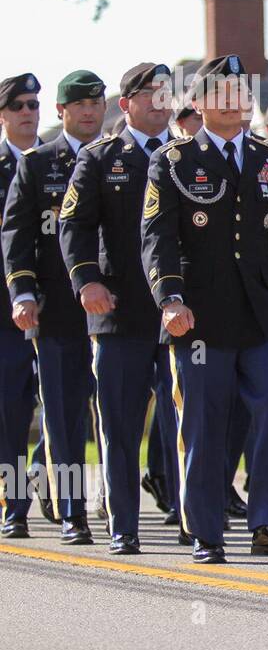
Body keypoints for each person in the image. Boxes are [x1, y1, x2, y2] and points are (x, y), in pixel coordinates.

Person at [141, 53, 268, 564]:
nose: (237, 100)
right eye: (223, 92)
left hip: (263, 315)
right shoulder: (173, 161)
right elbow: (157, 239)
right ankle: (206, 531)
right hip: (200, 315)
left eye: (242, 91)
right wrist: (170, 299)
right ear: (198, 102)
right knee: (203, 422)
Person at [59, 62, 180, 553]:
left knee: (185, 423)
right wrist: (86, 281)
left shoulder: (188, 155)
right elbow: (75, 226)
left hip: (179, 312)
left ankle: (193, 521)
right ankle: (124, 525)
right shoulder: (100, 157)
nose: (159, 101)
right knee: (119, 421)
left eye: (165, 93)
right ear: (125, 105)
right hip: (120, 309)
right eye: (148, 94)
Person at [3, 70, 107, 544]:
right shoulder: (38, 163)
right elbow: (18, 237)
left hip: (119, 312)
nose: (89, 110)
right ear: (64, 112)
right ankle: (69, 510)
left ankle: (123, 507)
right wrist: (23, 293)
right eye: (79, 103)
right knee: (61, 415)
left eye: (96, 101)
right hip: (58, 310)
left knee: (115, 411)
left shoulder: (125, 158)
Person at [0, 73, 42, 538]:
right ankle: (15, 503)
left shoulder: (59, 162)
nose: (28, 113)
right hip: (5, 314)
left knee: (63, 406)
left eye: (33, 105)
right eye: (18, 106)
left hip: (57, 310)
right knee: (12, 410)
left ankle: (53, 492)